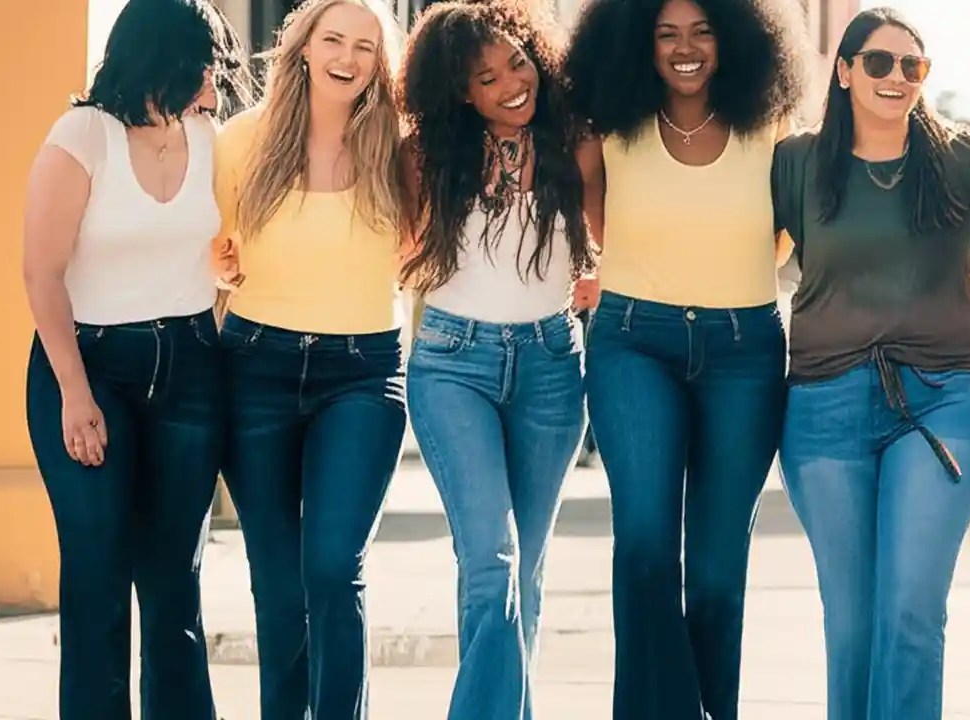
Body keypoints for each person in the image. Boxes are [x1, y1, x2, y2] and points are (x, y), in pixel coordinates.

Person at [563, 0, 805, 717]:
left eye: (702, 31)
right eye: (666, 34)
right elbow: (596, 222)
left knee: (716, 577)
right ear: (640, 44)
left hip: (745, 354)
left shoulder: (772, 131)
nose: (685, 48)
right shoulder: (611, 129)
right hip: (636, 344)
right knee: (643, 549)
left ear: (734, 40)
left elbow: (787, 238)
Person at [772, 8, 970, 719]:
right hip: (822, 408)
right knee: (851, 623)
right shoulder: (797, 164)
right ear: (843, 72)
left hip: (940, 403)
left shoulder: (964, 163)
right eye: (879, 62)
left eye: (913, 66)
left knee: (910, 609)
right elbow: (746, 264)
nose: (897, 77)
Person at [21, 0, 248, 717]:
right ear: (160, 59)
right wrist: (74, 394)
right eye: (203, 63)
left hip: (189, 364)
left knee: (175, 580)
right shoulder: (82, 134)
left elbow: (203, 253)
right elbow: (41, 273)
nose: (213, 79)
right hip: (89, 367)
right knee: (97, 571)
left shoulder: (208, 138)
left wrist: (229, 272)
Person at [395, 2, 594, 718]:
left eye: (518, 61)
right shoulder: (424, 156)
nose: (514, 82)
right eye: (488, 76)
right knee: (493, 561)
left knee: (520, 574)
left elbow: (614, 235)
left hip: (549, 366)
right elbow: (382, 241)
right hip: (454, 366)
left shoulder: (573, 142)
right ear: (460, 92)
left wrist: (601, 271)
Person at [211, 1, 407, 717]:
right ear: (301, 46)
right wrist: (221, 265)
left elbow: (430, 251)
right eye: (333, 39)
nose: (347, 57)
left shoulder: (400, 147)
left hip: (361, 374)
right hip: (254, 370)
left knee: (331, 568)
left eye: (364, 45)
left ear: (379, 62)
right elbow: (203, 243)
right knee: (278, 584)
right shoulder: (240, 141)